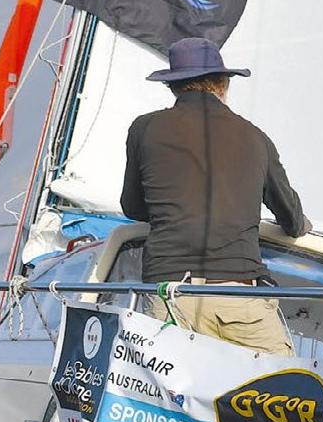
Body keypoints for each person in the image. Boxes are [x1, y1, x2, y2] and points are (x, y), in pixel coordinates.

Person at [120, 37, 310, 356]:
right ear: (223, 84)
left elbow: (133, 207)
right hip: (236, 298)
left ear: (173, 86)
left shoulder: (143, 129)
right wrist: (302, 224)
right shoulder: (255, 137)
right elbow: (290, 219)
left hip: (168, 295)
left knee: (165, 385)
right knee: (284, 382)